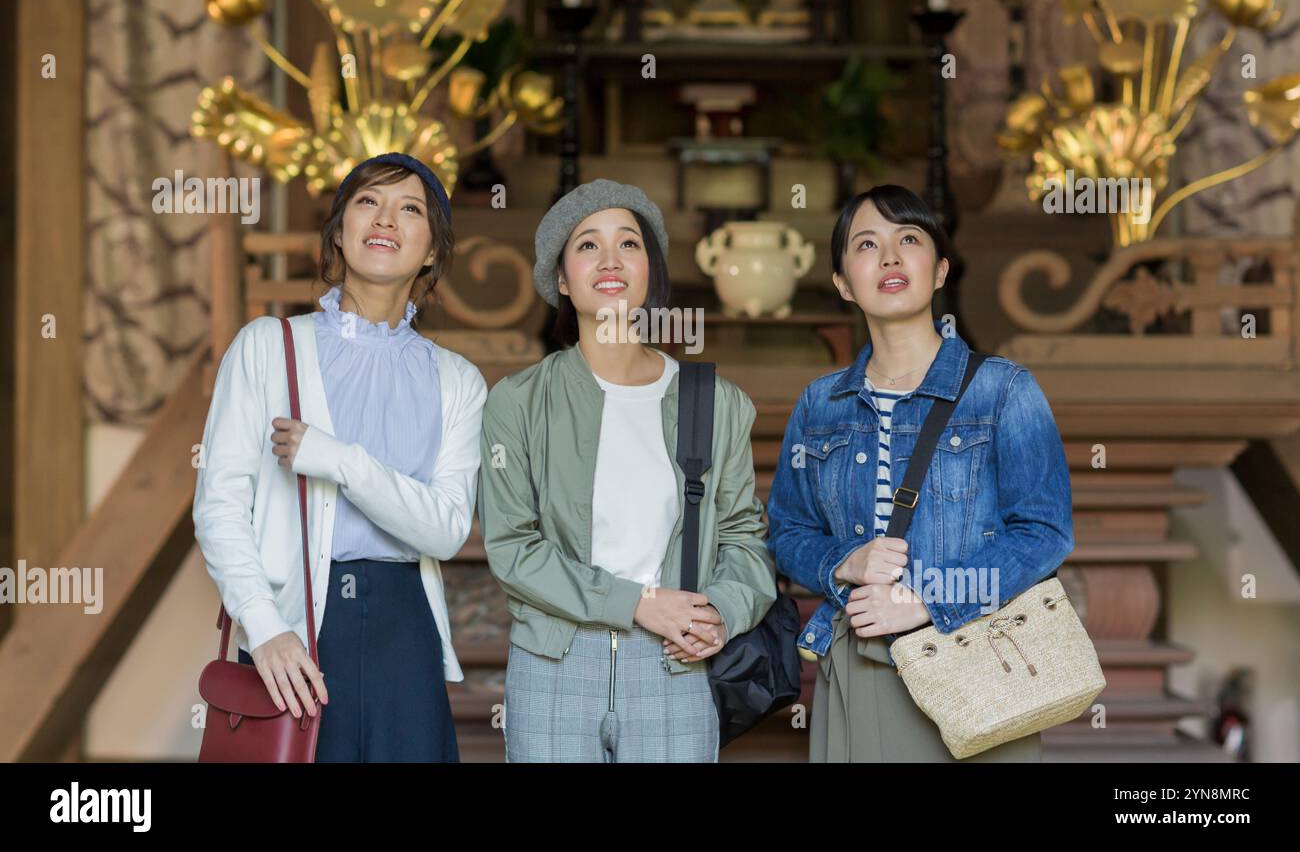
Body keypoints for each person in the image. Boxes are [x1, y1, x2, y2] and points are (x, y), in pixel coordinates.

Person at [193, 152, 487, 762]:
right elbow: (219, 506)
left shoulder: (458, 380)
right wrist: (264, 627)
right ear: (339, 232)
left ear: (431, 250)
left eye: (410, 209)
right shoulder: (267, 347)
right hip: (295, 629)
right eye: (367, 202)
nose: (386, 219)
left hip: (404, 630)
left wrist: (339, 460)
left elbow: (445, 529)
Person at [766, 185, 1074, 762]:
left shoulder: (1003, 389)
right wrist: (844, 564)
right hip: (858, 665)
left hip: (978, 666)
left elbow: (1043, 532)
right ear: (842, 283)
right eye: (866, 244)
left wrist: (928, 598)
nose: (889, 257)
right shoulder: (820, 405)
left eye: (909, 239)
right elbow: (786, 531)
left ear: (939, 272)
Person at [477, 178, 777, 762]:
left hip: (674, 664)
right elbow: (513, 547)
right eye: (588, 245)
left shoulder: (713, 401)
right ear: (561, 279)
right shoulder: (518, 402)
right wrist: (638, 602)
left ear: (650, 270)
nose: (610, 260)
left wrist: (719, 610)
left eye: (629, 244)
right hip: (555, 661)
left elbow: (745, 538)